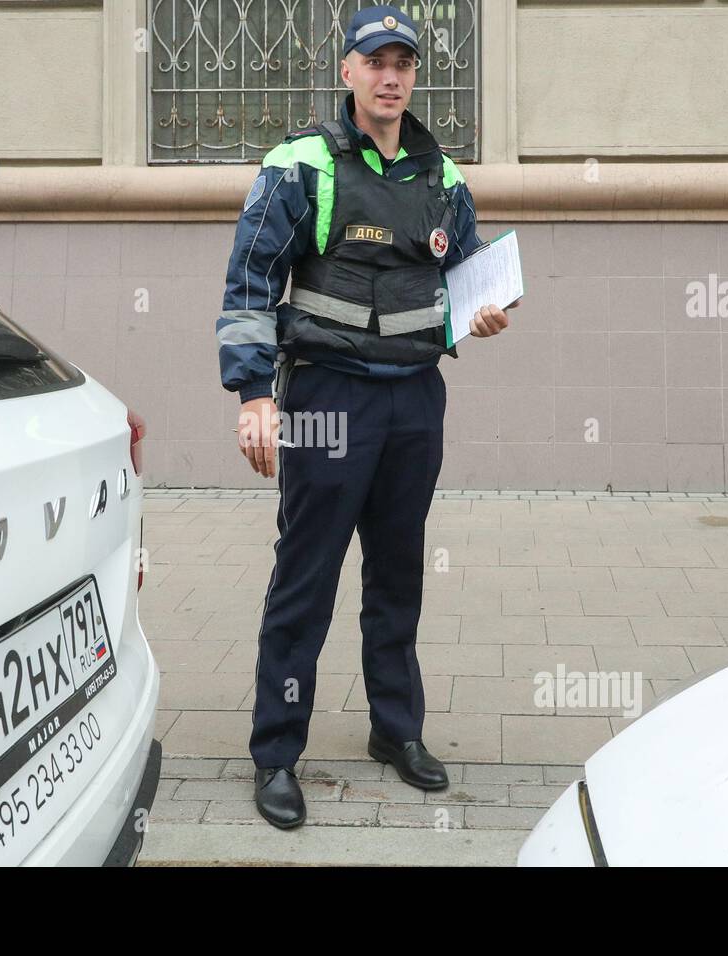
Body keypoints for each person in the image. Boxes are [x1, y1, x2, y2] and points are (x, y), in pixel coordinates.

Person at [214, 4, 517, 829]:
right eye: (374, 61)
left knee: (398, 573)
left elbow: (455, 293)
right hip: (325, 399)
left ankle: (396, 729)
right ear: (345, 70)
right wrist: (254, 396)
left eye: (404, 63)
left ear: (416, 75)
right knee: (306, 577)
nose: (390, 76)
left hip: (416, 402)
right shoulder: (301, 163)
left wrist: (479, 316)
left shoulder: (441, 176)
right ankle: (276, 752)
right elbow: (249, 283)